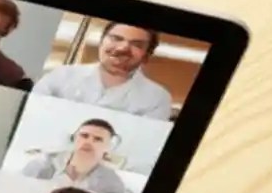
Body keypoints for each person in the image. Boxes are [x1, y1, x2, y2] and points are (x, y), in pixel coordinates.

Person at [34, 22, 173, 120]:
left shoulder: (158, 98)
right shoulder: (61, 75)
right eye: (116, 38)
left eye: (137, 45)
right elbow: (32, 113)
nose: (123, 48)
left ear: (147, 55)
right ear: (101, 42)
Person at [22, 119, 128, 193]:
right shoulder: (41, 166)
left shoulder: (112, 184)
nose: (88, 142)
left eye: (98, 139)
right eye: (84, 136)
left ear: (108, 147)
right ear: (74, 138)